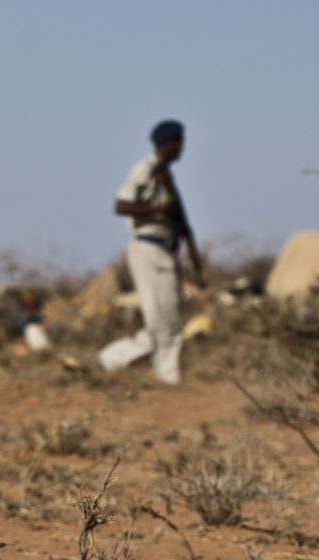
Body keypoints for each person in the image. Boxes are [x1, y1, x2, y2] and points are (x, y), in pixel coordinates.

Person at [98, 119, 200, 385]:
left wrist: (194, 259)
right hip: (148, 248)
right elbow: (121, 205)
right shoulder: (145, 170)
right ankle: (166, 376)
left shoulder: (167, 175)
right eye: (180, 142)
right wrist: (157, 211)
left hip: (166, 251)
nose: (182, 148)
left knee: (167, 319)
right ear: (168, 143)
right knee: (162, 320)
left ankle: (114, 359)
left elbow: (182, 223)